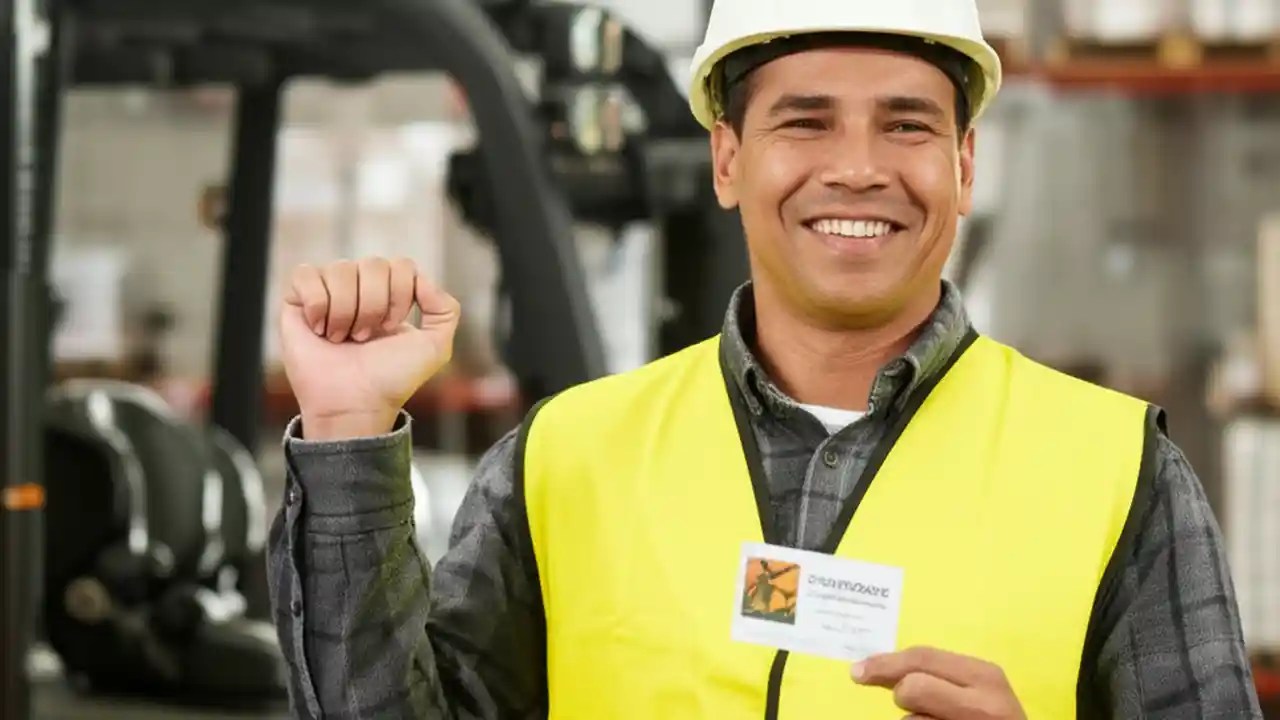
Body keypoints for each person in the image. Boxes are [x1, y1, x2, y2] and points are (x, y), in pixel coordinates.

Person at [267, 0, 1264, 717]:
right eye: (805, 120)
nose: (859, 167)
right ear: (727, 159)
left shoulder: (1114, 472)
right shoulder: (564, 459)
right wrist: (351, 430)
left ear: (961, 167)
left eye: (906, 125)